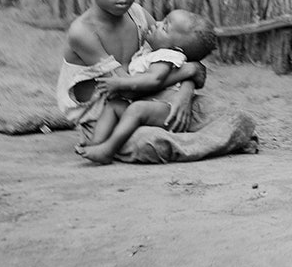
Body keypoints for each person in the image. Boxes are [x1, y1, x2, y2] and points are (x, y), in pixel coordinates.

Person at [55, 0, 204, 136]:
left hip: (140, 102)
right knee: (149, 142)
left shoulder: (138, 16)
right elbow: (123, 87)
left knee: (207, 109)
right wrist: (190, 72)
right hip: (103, 119)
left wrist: (185, 92)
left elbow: (175, 55)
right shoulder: (82, 32)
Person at [76, 12, 217, 166]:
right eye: (162, 20)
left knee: (137, 109)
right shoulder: (151, 53)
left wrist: (120, 83)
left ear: (176, 48)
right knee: (114, 105)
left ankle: (108, 150)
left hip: (167, 109)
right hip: (149, 105)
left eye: (164, 27)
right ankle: (96, 143)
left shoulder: (166, 56)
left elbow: (154, 79)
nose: (156, 23)